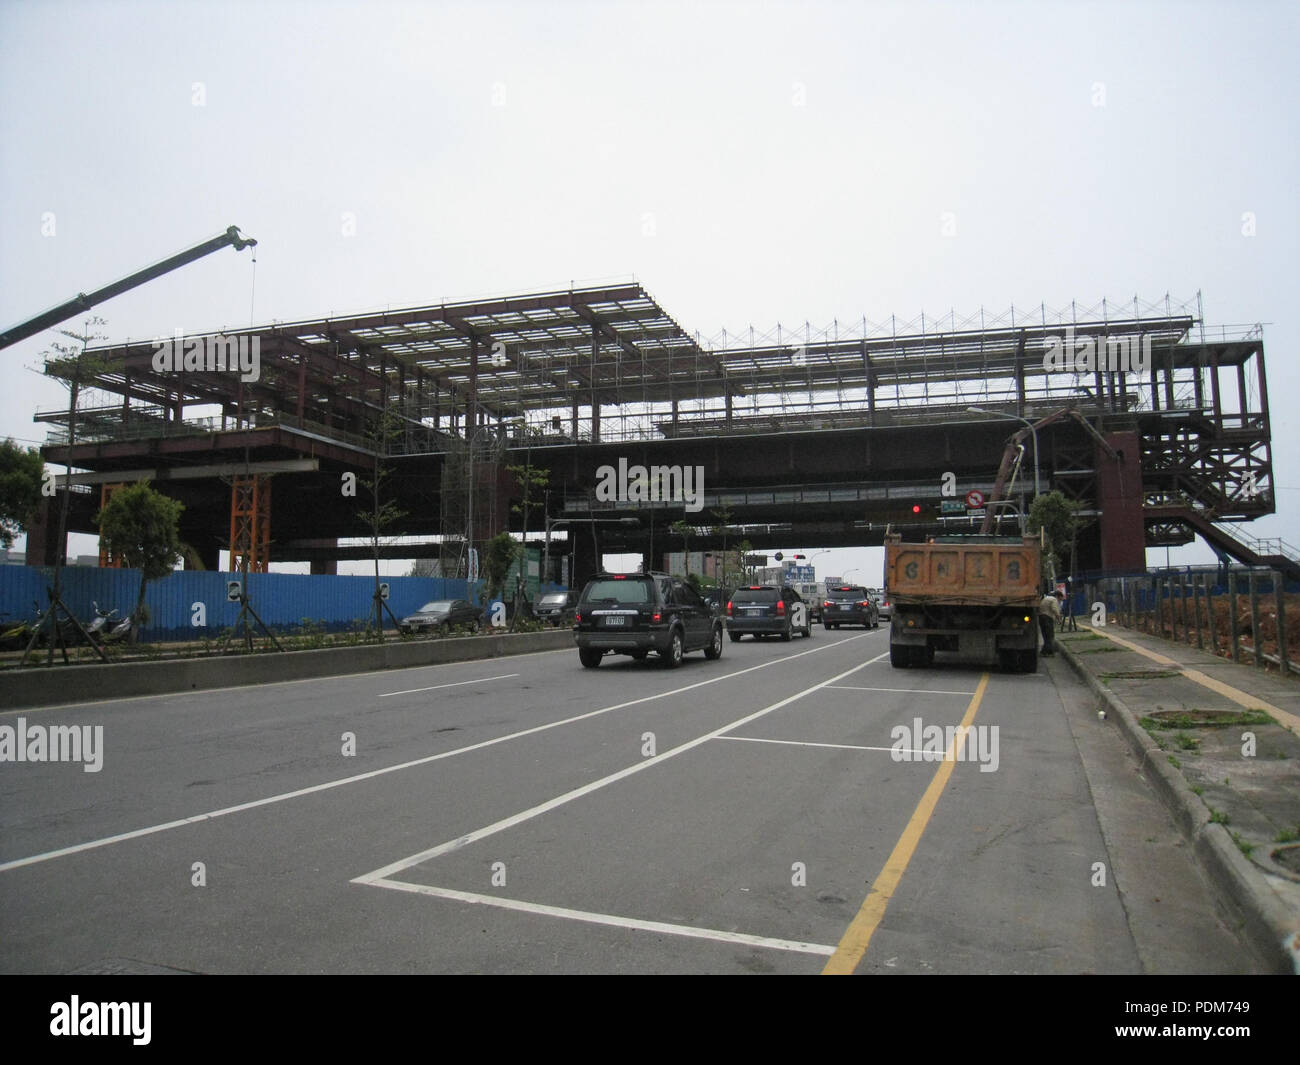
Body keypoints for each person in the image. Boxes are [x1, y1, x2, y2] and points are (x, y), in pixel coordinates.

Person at [1038, 588, 1062, 655]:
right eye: (1060, 599)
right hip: (1047, 618)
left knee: (1045, 635)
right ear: (1058, 596)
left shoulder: (1046, 598)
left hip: (1041, 617)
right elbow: (1054, 609)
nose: (1060, 601)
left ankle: (1046, 651)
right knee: (1050, 635)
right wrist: (1059, 619)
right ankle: (1048, 651)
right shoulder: (1054, 600)